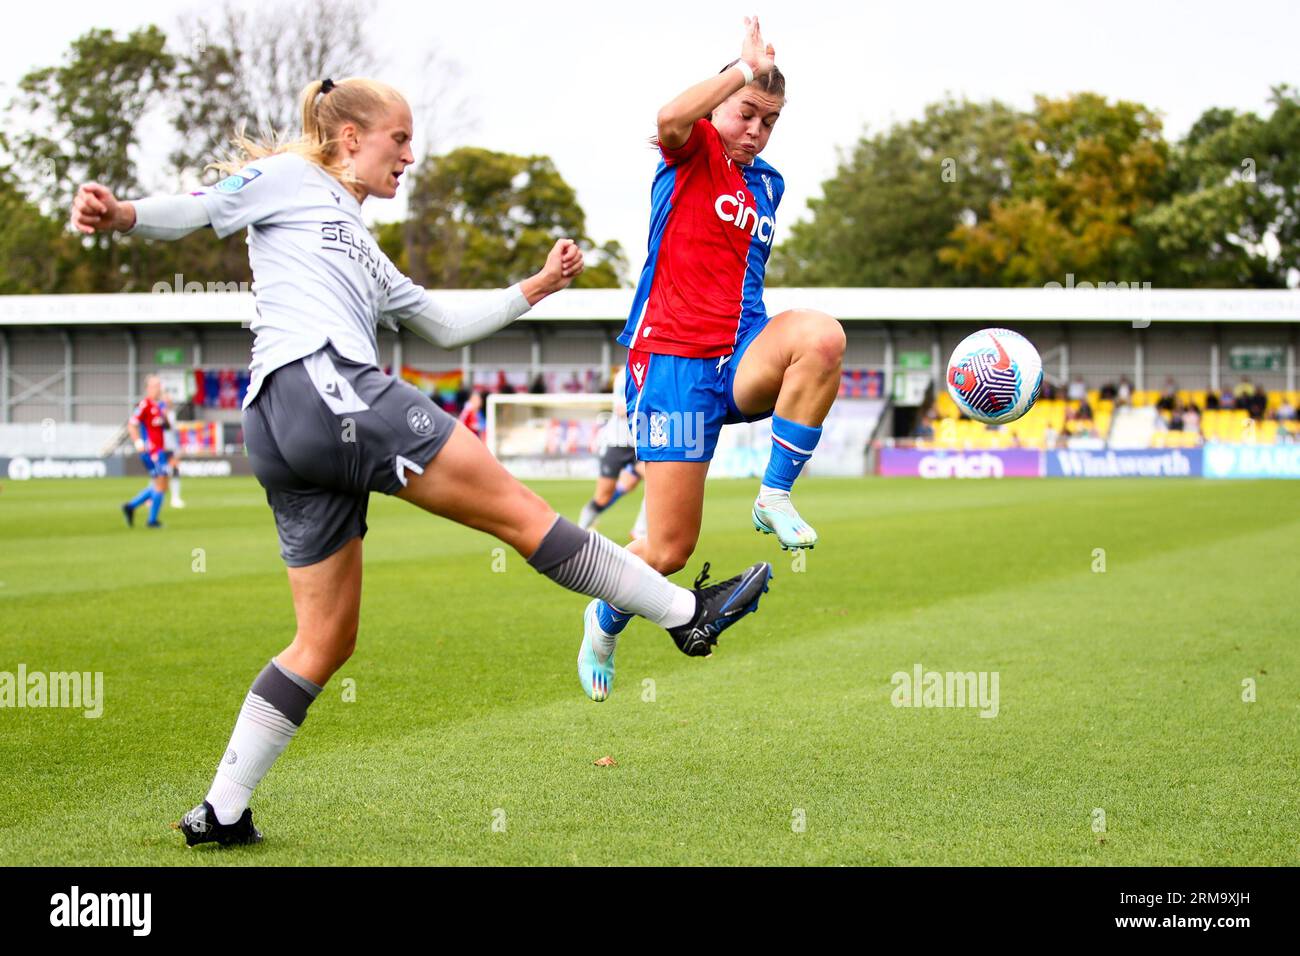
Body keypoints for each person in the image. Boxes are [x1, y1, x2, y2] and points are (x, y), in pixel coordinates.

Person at [71, 75, 773, 848]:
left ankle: (223, 810)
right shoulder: (289, 176)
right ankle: (686, 616)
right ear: (350, 138)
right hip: (319, 385)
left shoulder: (359, 245)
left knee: (326, 641)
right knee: (520, 510)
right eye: (399, 140)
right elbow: (198, 209)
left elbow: (439, 322)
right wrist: (125, 216)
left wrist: (533, 288)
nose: (410, 155)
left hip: (285, 431)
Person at [575, 18, 844, 703]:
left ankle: (775, 495)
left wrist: (752, 90)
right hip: (674, 364)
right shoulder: (691, 149)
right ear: (721, 106)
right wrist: (739, 71)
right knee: (667, 551)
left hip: (742, 349)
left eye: (769, 120)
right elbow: (669, 116)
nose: (755, 129)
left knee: (822, 336)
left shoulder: (770, 185)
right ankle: (602, 622)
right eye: (746, 113)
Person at [579, 365, 644, 530]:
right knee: (603, 497)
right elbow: (621, 409)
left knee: (657, 482)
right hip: (617, 443)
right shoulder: (625, 374)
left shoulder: (654, 369)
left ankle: (641, 531)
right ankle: (581, 529)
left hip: (639, 444)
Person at [122, 374, 171, 528]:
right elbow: (132, 424)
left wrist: (166, 411)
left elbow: (167, 426)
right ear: (148, 388)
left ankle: (131, 506)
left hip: (159, 450)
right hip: (152, 451)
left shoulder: (158, 406)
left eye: (159, 385)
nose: (159, 389)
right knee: (161, 484)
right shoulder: (145, 404)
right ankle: (152, 520)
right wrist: (138, 442)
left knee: (162, 484)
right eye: (156, 385)